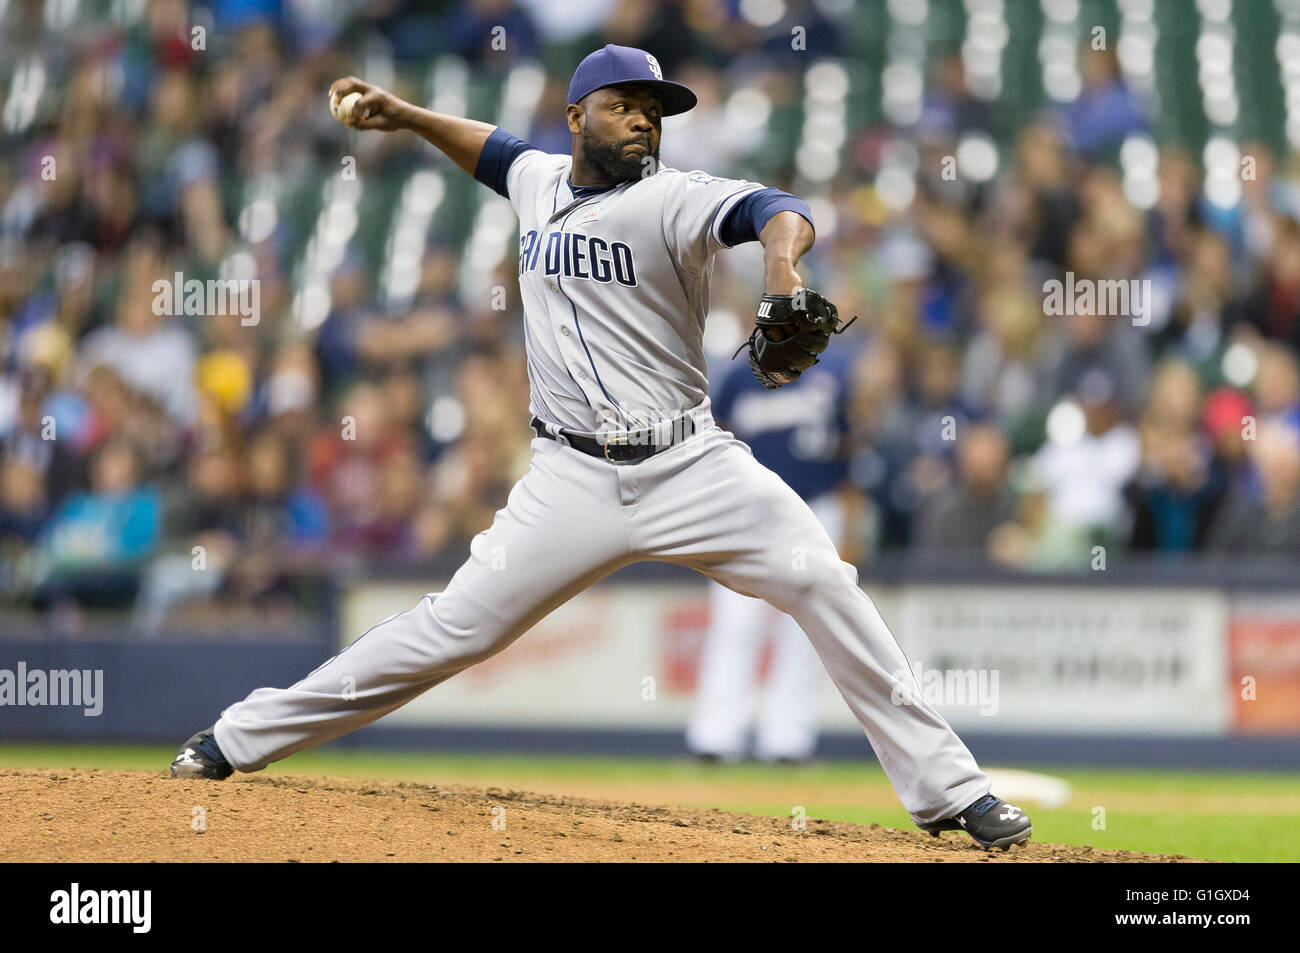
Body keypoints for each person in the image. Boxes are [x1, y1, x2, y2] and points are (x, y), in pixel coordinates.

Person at [168, 45, 1031, 850]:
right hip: (569, 477)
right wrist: (408, 114)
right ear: (577, 115)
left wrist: (783, 269)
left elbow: (776, 209)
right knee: (452, 629)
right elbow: (495, 150)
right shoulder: (540, 178)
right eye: (625, 107)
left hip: (690, 463)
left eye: (655, 111)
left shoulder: (670, 198)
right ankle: (237, 737)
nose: (644, 122)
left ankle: (950, 788)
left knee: (821, 578)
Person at [686, 342, 857, 764]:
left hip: (817, 507)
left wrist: (850, 523)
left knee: (804, 630)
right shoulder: (741, 373)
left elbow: (849, 453)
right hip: (750, 510)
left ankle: (787, 741)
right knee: (735, 622)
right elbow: (713, 442)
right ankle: (716, 736)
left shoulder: (832, 372)